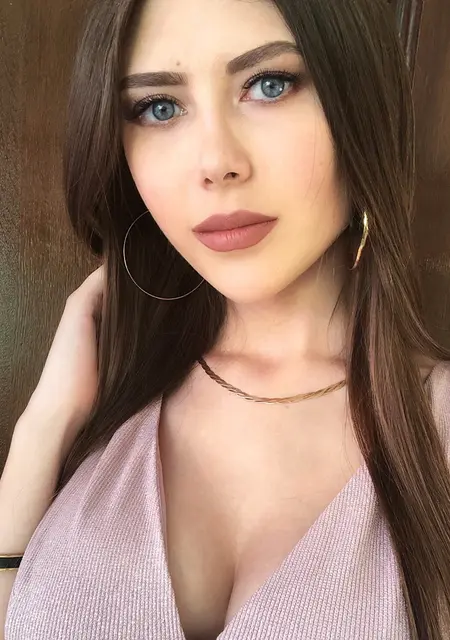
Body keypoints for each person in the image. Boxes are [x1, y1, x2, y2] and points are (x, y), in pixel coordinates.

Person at [1, 0, 450, 638]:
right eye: (160, 107)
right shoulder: (104, 402)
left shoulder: (435, 428)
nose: (216, 162)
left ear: (361, 102)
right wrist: (44, 426)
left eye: (269, 85)